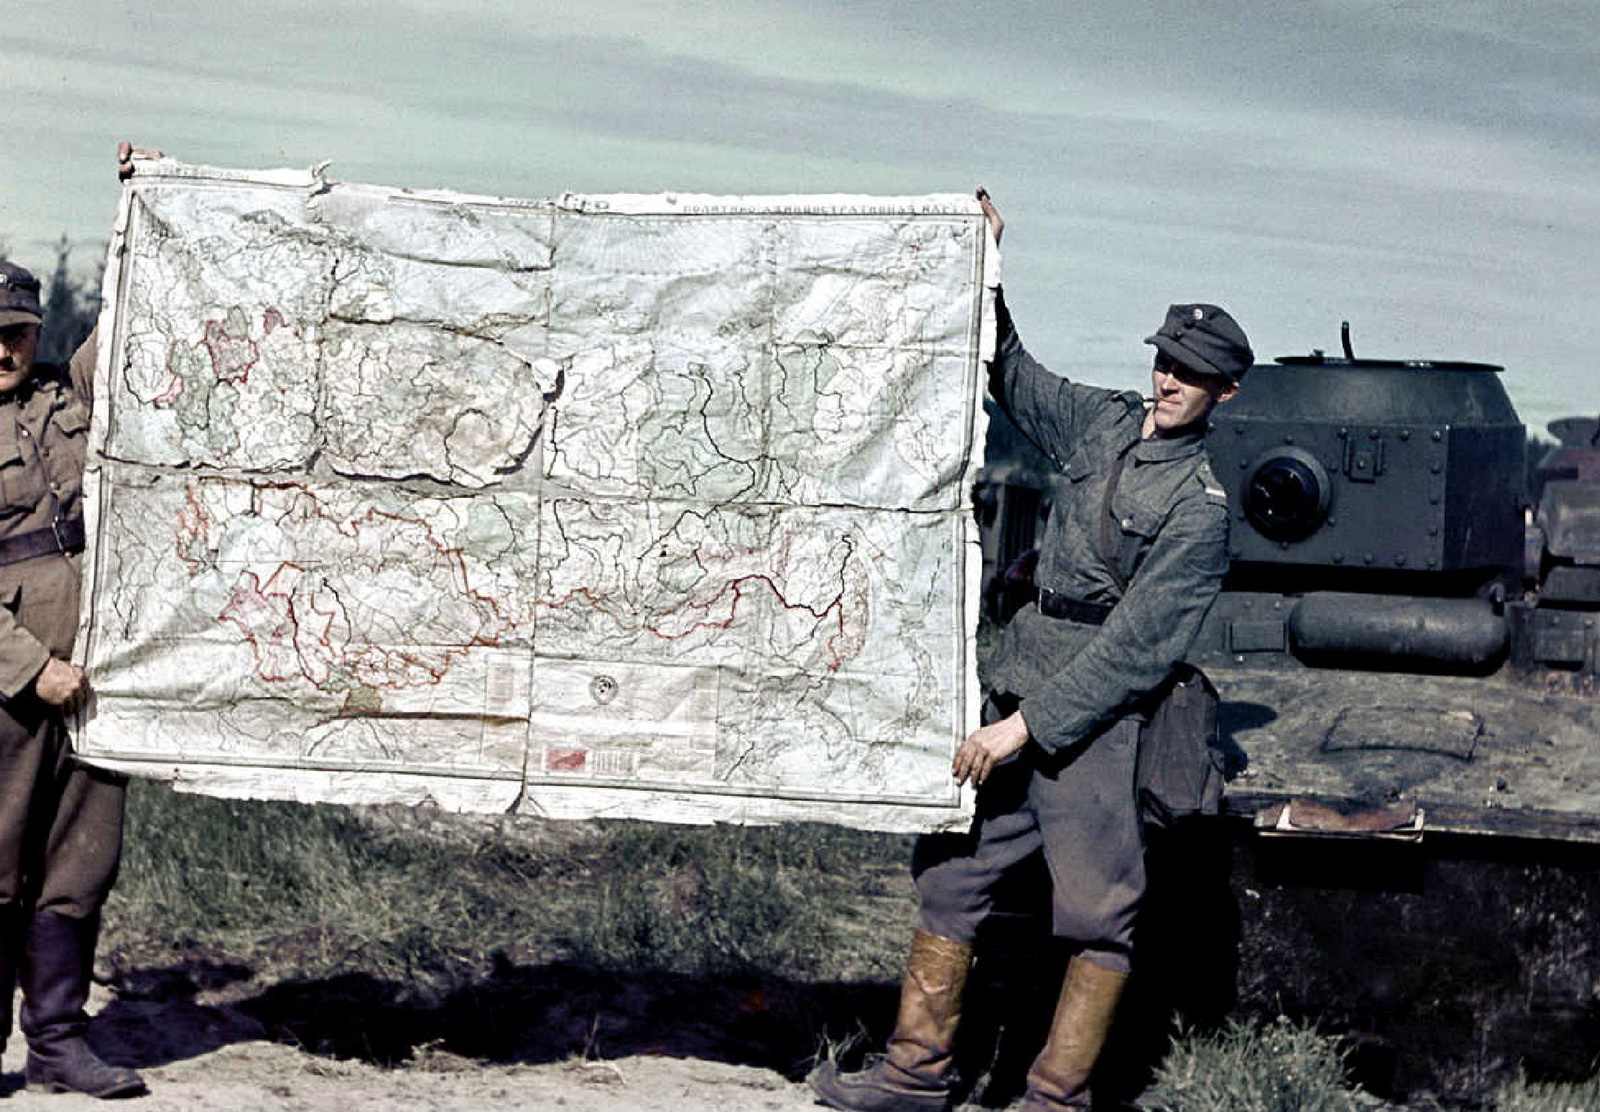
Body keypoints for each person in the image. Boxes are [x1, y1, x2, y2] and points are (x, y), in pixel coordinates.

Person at [810, 190, 1252, 1112]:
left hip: (1097, 729)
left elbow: (1136, 652)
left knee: (1097, 916)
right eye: (1166, 361)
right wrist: (988, 262)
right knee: (952, 881)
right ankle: (914, 1077)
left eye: (1192, 374)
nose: (1171, 383)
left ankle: (1054, 1100)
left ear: (1225, 393)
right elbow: (1008, 371)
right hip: (1023, 675)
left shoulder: (1200, 513)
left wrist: (1022, 731)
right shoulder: (1099, 420)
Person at [0, 259, 145, 1098]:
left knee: (80, 866)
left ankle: (58, 1041)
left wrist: (143, 202)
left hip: (96, 680)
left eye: (17, 333)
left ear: (37, 332)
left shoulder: (72, 396)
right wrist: (30, 669)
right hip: (8, 691)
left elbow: (129, 320)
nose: (4, 350)